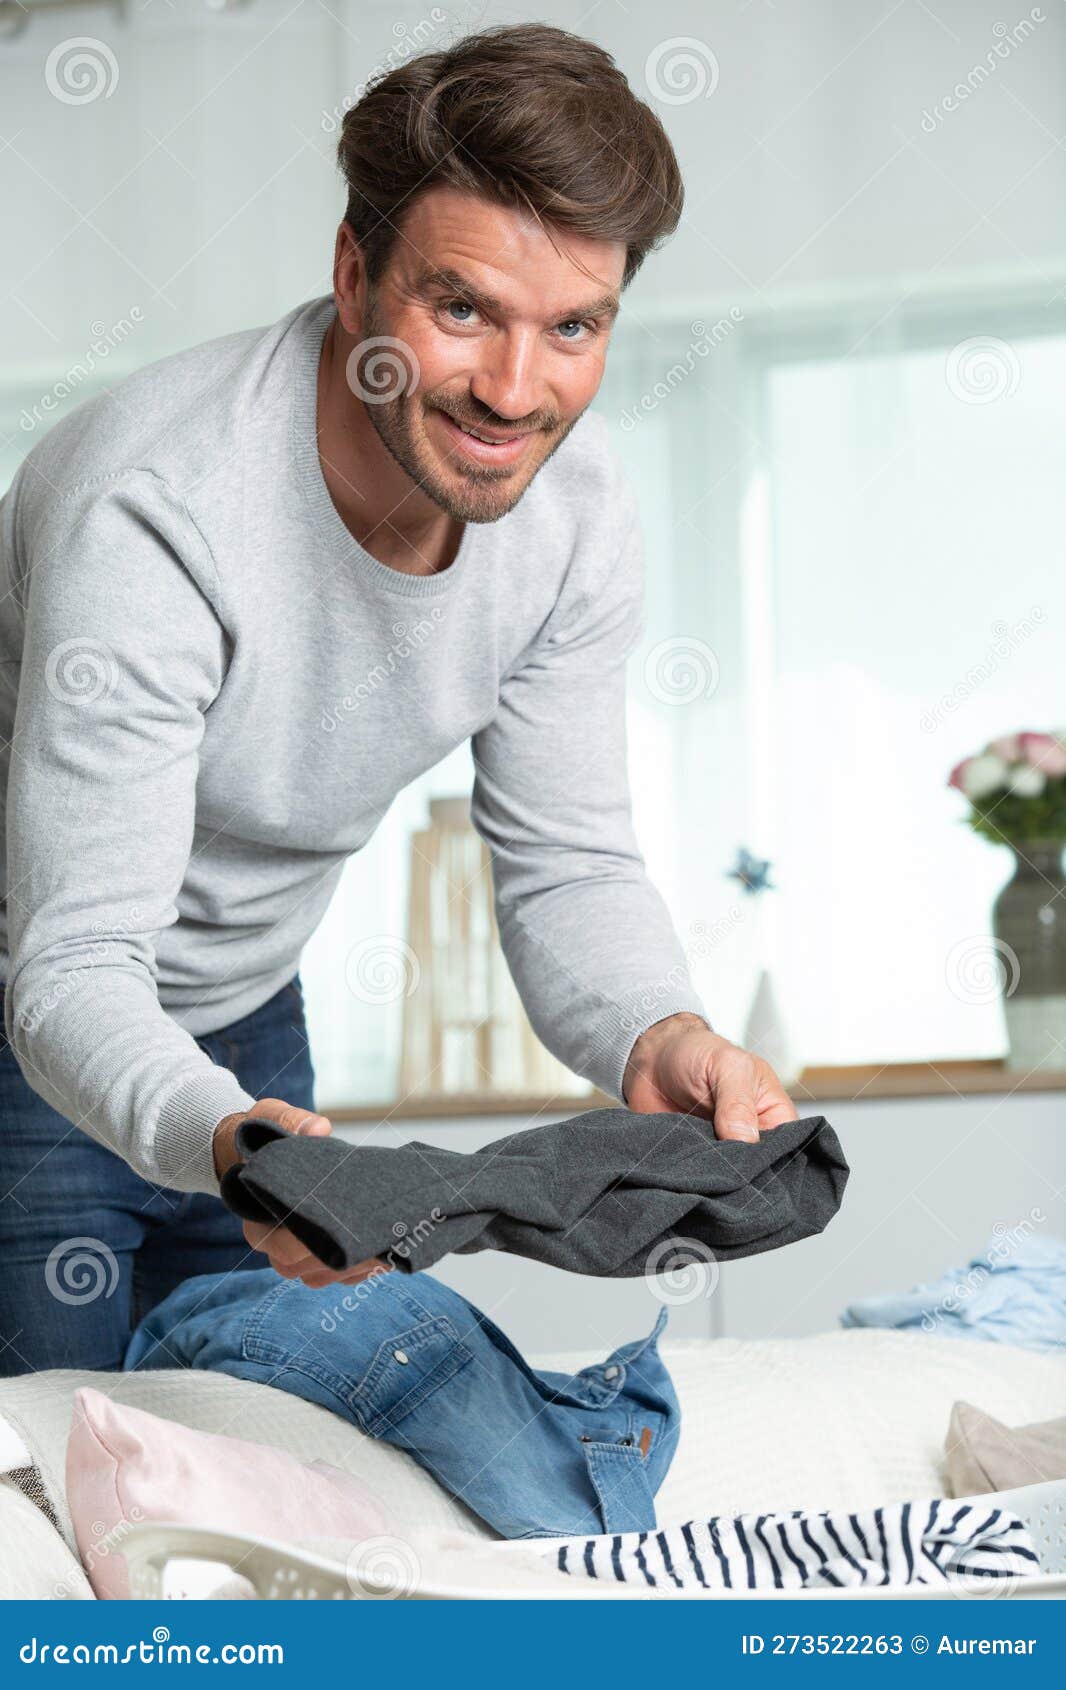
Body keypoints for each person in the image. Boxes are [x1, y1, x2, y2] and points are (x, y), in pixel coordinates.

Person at [0, 23, 797, 1377]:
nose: (514, 392)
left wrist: (656, 1031)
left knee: (253, 1439)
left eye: (573, 327)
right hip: (35, 1012)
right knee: (51, 1461)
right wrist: (222, 1137)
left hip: (249, 1011)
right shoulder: (156, 508)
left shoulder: (576, 513)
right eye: (463, 309)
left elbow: (569, 861)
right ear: (353, 271)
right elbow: (74, 965)